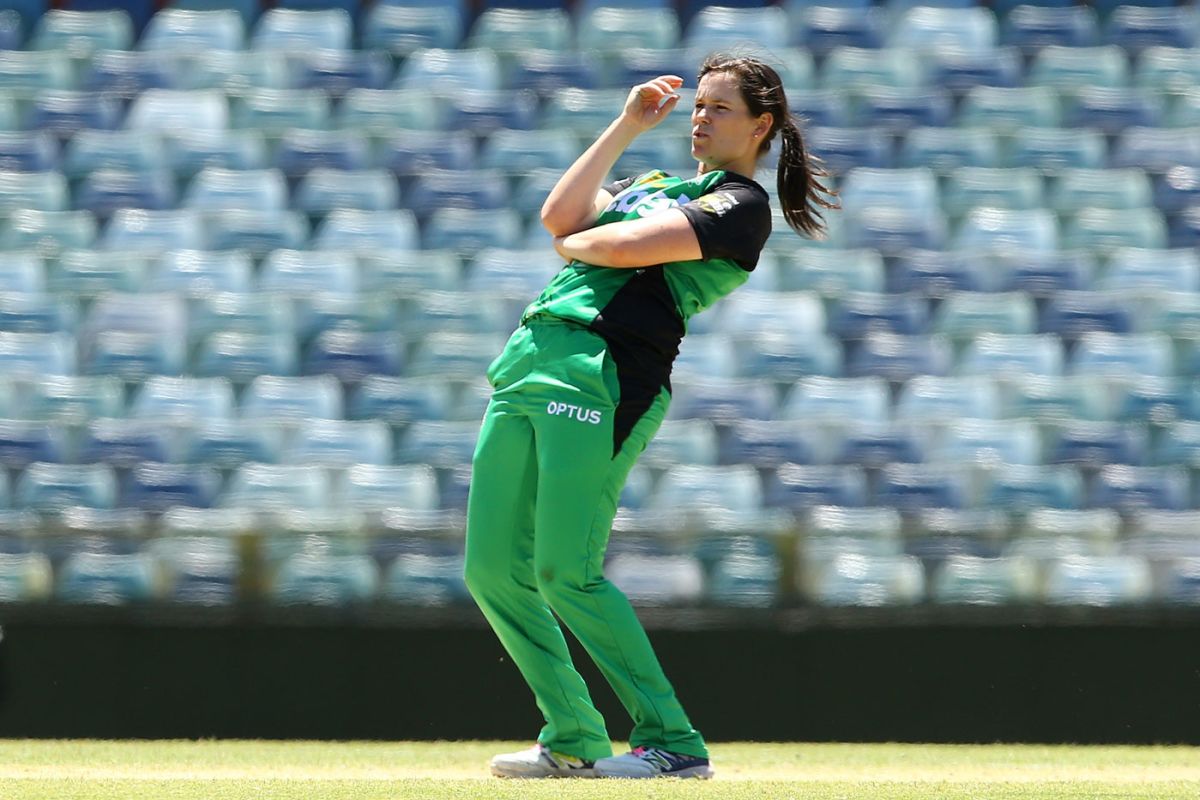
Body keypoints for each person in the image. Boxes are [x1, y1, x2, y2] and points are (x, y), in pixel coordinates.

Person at [463, 53, 836, 780]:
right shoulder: (656, 183)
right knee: (491, 570)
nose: (700, 118)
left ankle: (673, 742)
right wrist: (627, 125)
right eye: (698, 105)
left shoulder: (741, 205)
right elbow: (559, 215)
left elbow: (614, 245)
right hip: (528, 360)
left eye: (719, 108)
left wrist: (573, 247)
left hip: (602, 373)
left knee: (565, 571)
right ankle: (572, 736)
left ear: (760, 125)